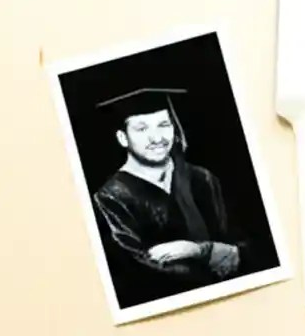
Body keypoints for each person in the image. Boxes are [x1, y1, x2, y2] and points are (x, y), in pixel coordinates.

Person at [91, 88, 247, 306]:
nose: (157, 138)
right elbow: (137, 271)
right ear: (122, 138)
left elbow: (242, 243)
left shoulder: (202, 179)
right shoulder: (111, 198)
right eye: (142, 129)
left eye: (163, 125)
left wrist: (197, 250)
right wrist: (214, 257)